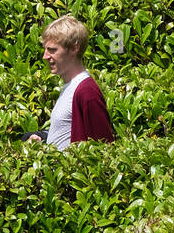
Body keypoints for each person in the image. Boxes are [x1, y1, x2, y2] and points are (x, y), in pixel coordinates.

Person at [21, 15, 117, 149]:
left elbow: (103, 147)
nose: (45, 56)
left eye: (52, 50)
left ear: (74, 48)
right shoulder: (71, 86)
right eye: (45, 50)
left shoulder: (86, 91)